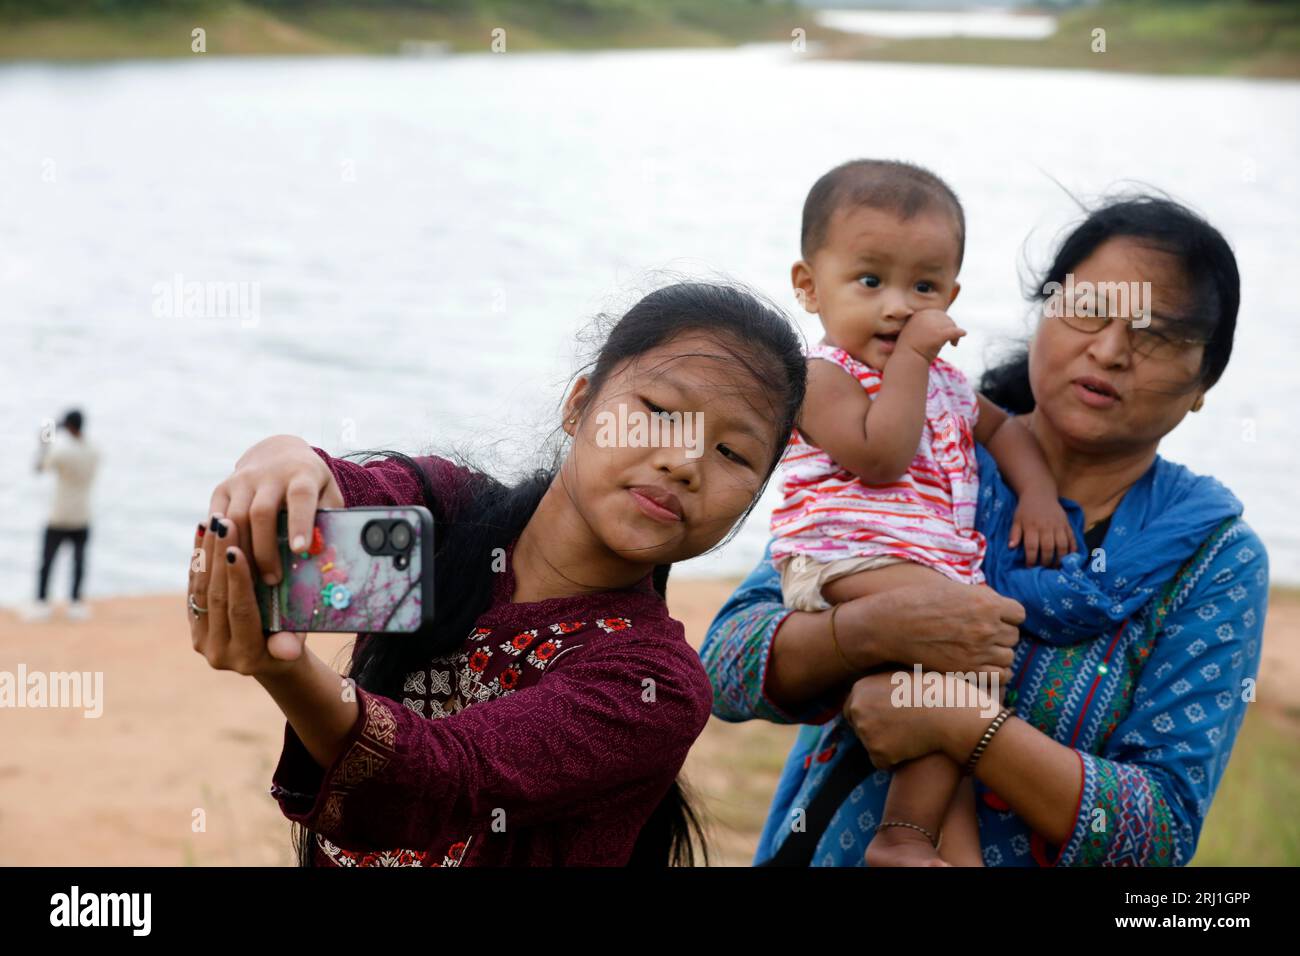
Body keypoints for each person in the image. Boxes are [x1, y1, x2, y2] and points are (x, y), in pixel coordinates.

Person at [703, 194, 1268, 867]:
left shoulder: (1212, 560)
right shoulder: (921, 441)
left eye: (1158, 334)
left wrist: (959, 720)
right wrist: (866, 634)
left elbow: (1161, 834)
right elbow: (726, 667)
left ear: (1206, 378)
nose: (1112, 350)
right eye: (1088, 311)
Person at [186, 281, 808, 866]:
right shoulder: (449, 519)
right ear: (580, 404)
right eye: (661, 411)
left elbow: (446, 779)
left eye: (732, 452)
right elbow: (338, 497)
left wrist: (284, 670)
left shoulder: (654, 683)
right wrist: (279, 459)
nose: (684, 462)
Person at [772, 159, 1074, 866]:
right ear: (809, 286)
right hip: (843, 557)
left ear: (953, 292)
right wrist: (912, 356)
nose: (900, 305)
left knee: (956, 696)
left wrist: (1035, 493)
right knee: (971, 651)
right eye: (871, 280)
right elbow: (880, 454)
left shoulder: (945, 381)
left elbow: (1005, 432)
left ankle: (939, 847)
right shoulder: (821, 375)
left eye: (925, 286)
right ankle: (901, 836)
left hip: (923, 566)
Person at [27, 409, 100, 622]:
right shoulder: (94, 451)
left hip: (59, 515)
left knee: (47, 562)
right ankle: (75, 603)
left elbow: (39, 467)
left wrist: (45, 441)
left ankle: (42, 603)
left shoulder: (63, 453)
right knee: (79, 562)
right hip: (82, 515)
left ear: (68, 427)